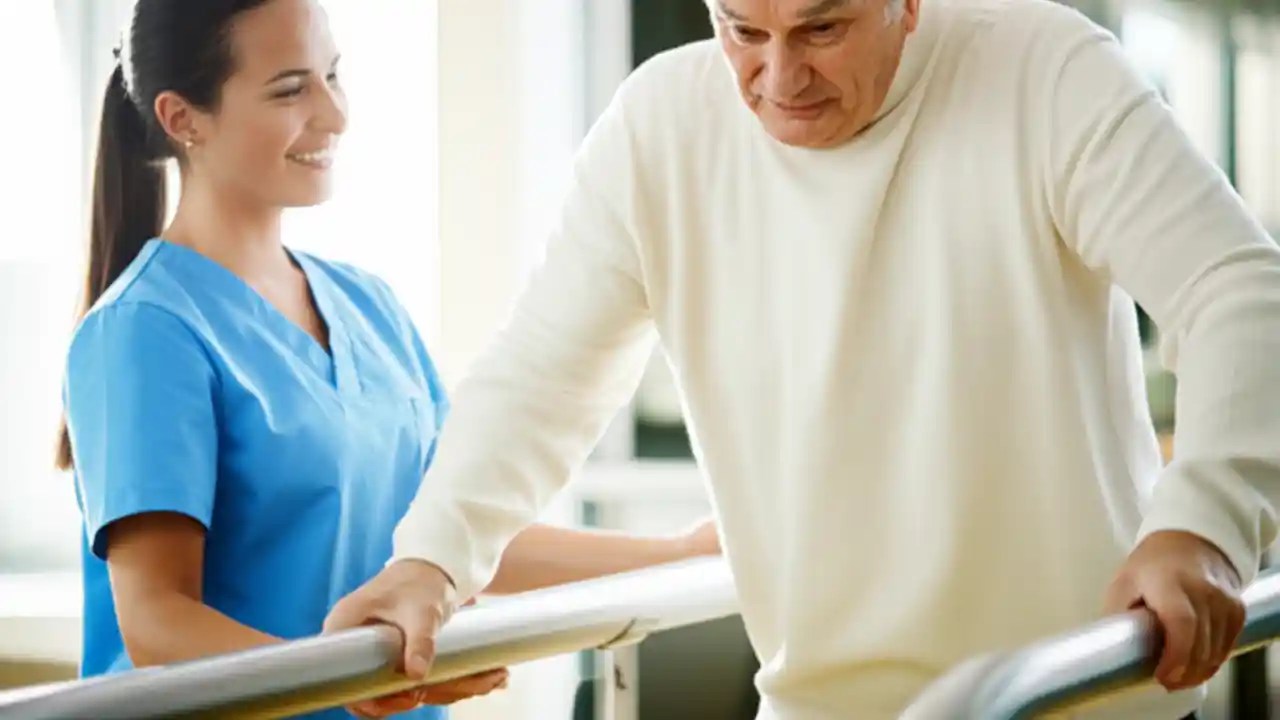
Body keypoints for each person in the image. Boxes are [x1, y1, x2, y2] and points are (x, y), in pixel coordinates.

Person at [324, 0, 1280, 718]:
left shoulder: (1044, 70)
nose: (779, 80)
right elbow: (542, 373)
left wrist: (1202, 524)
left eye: (822, 29)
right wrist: (432, 560)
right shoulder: (660, 125)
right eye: (743, 29)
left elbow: (1238, 291)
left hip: (1067, 696)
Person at [56, 1, 720, 719]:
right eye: (290, 89)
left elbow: (459, 533)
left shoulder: (366, 306)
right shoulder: (143, 332)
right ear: (184, 118)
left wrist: (683, 553)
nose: (334, 113)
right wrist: (352, 685)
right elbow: (157, 621)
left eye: (332, 75)